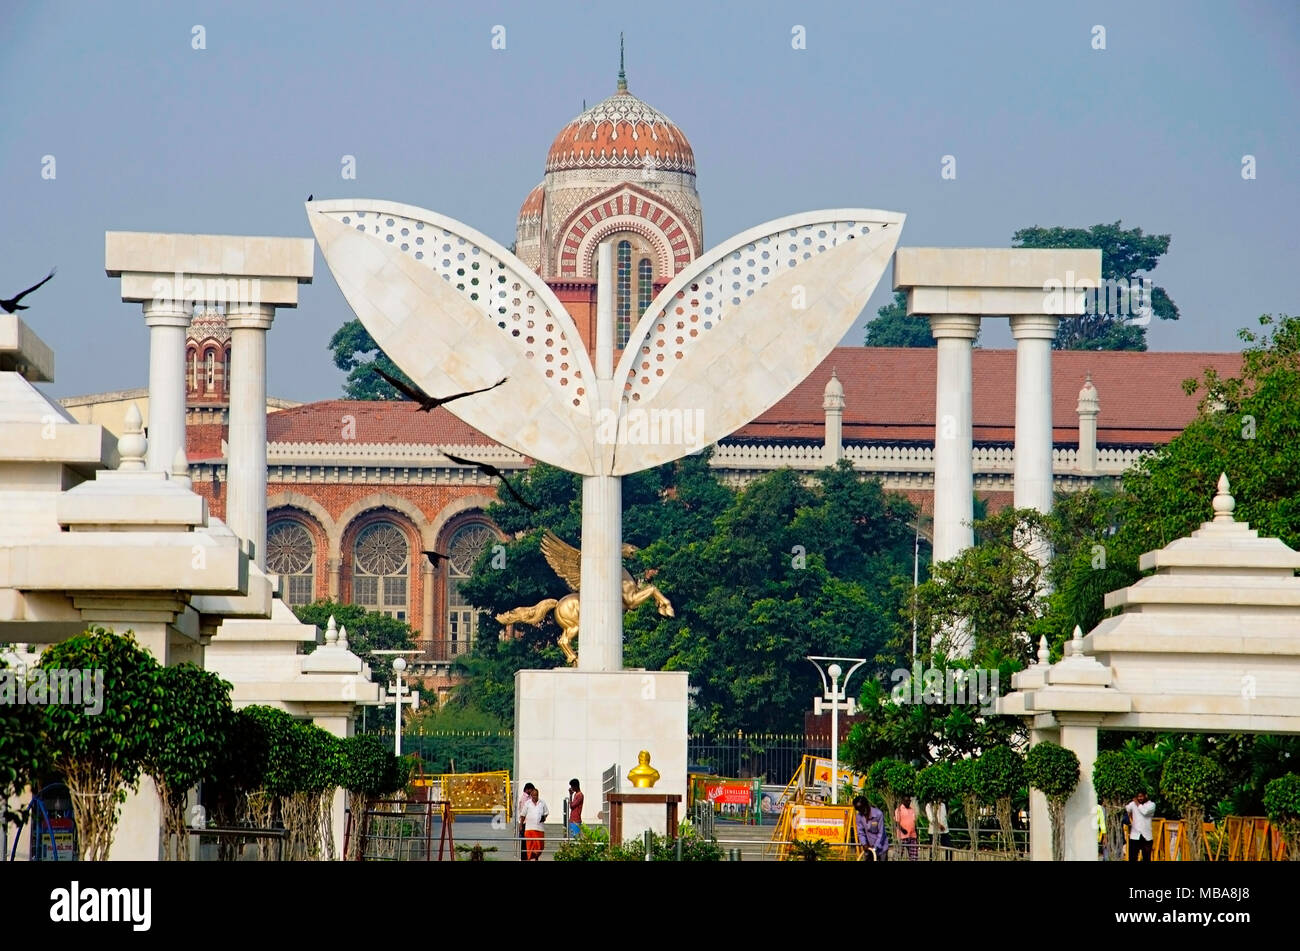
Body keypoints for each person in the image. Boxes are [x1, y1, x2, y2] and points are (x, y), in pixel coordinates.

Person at [853, 795, 889, 861]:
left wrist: (875, 847)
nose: (863, 811)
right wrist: (864, 844)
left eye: (863, 808)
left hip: (881, 848)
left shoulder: (878, 814)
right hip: (869, 847)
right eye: (860, 810)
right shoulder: (859, 817)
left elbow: (881, 833)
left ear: (867, 804)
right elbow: (860, 832)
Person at [1125, 791, 1156, 862]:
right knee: (1132, 858)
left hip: (1147, 836)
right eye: (1138, 797)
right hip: (1135, 835)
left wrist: (1137, 803)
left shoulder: (1151, 805)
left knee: (1146, 858)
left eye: (1141, 796)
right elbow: (1127, 809)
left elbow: (1144, 812)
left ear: (1146, 796)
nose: (1139, 798)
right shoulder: (1133, 804)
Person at [522, 785, 549, 861]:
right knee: (530, 846)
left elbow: (546, 812)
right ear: (531, 795)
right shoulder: (527, 803)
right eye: (533, 795)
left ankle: (536, 856)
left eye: (536, 795)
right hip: (529, 829)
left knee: (540, 847)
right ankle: (530, 859)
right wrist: (521, 825)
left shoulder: (542, 802)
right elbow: (523, 815)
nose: (535, 797)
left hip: (539, 828)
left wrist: (544, 817)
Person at [894, 795, 919, 860]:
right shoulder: (898, 810)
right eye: (906, 801)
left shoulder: (912, 810)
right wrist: (903, 830)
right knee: (898, 855)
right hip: (902, 836)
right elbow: (896, 823)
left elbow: (914, 823)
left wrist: (917, 834)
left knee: (914, 856)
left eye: (909, 801)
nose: (908, 802)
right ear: (903, 801)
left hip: (912, 836)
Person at [516, 782, 535, 861]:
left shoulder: (528, 798)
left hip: (527, 823)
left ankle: (527, 857)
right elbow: (523, 812)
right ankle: (524, 858)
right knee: (524, 842)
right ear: (527, 789)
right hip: (525, 823)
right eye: (531, 790)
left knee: (528, 841)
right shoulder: (525, 799)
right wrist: (521, 824)